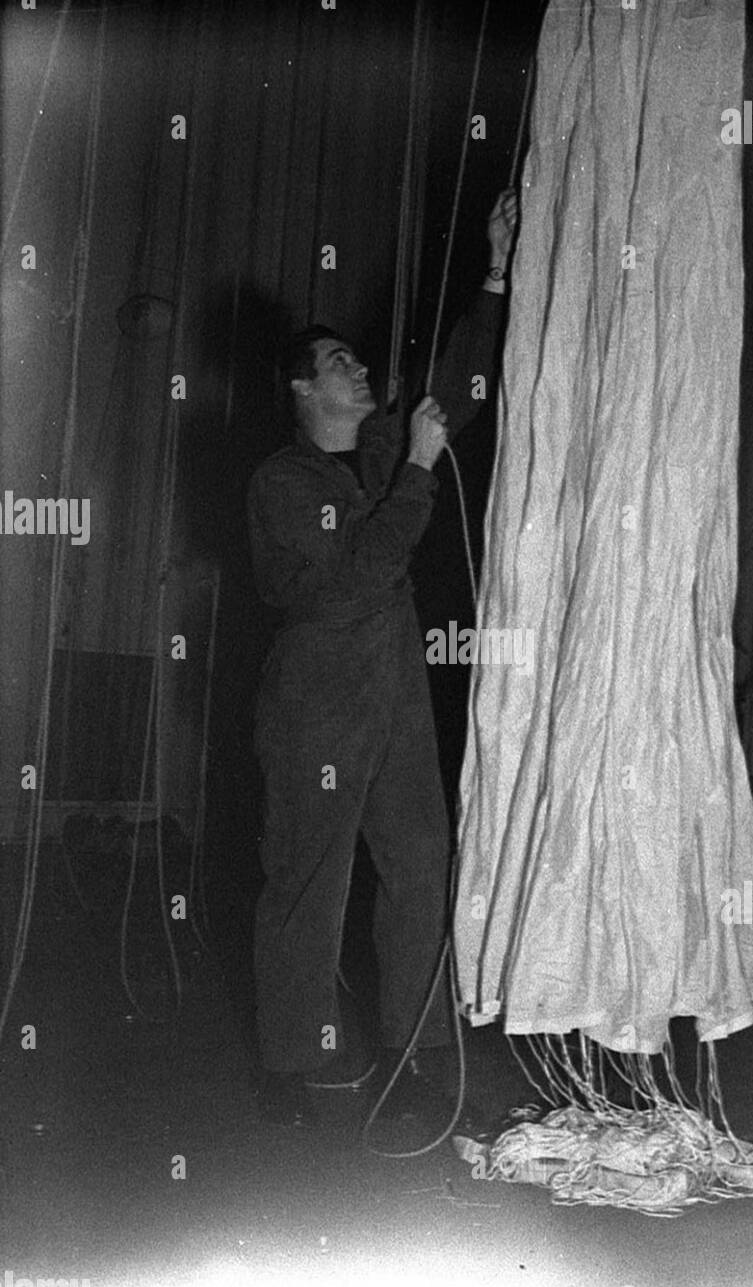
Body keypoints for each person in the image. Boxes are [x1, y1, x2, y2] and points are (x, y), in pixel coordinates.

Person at [247, 191, 517, 1128]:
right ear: (302, 391)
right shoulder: (283, 482)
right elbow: (356, 575)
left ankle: (419, 1052)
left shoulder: (375, 460)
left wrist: (492, 272)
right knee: (309, 885)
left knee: (420, 864)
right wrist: (417, 473)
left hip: (395, 700)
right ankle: (289, 1064)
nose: (359, 370)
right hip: (316, 709)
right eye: (338, 364)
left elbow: (455, 383)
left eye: (357, 360)